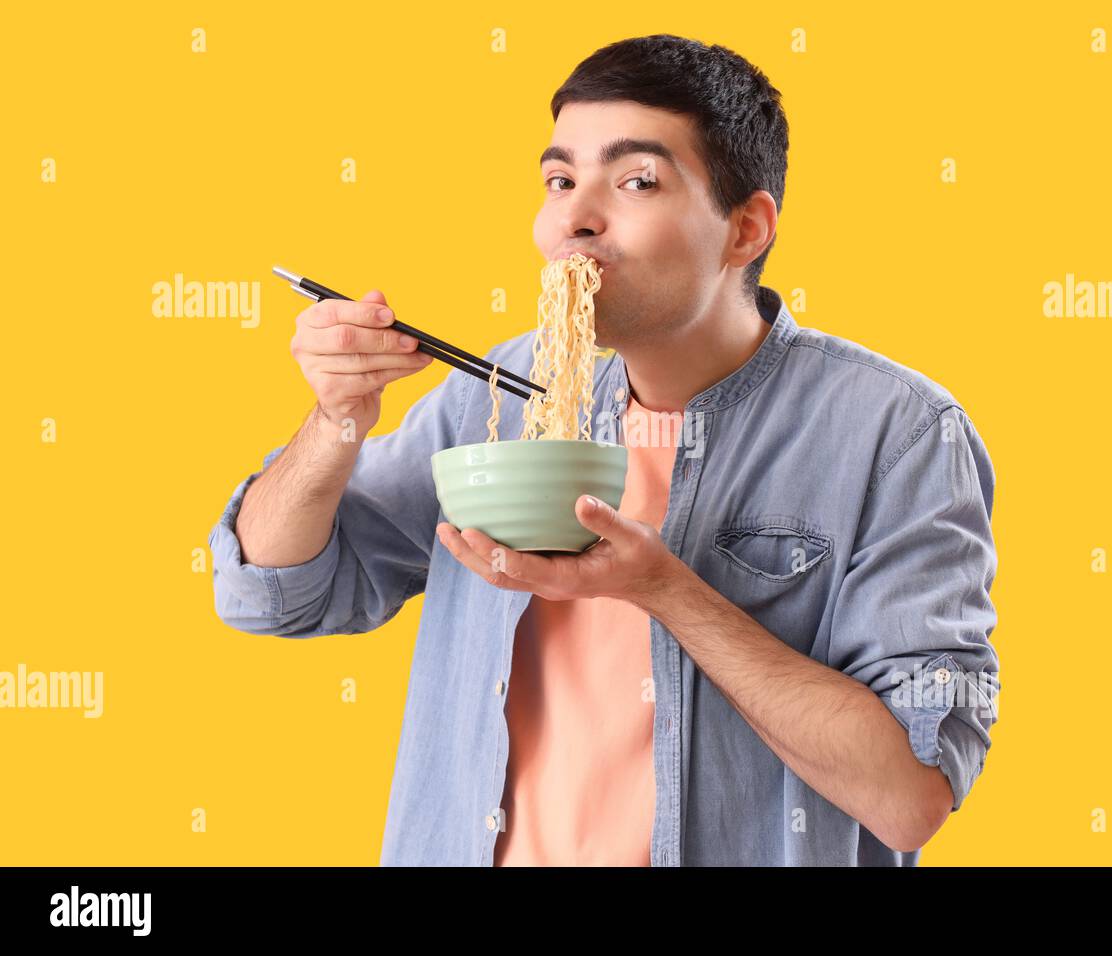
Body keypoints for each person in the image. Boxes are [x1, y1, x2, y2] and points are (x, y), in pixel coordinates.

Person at [209, 34, 1000, 866]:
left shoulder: (895, 432)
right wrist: (337, 419)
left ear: (745, 229)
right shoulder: (498, 393)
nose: (574, 218)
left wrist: (664, 588)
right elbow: (271, 594)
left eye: (636, 181)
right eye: (559, 181)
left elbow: (911, 793)